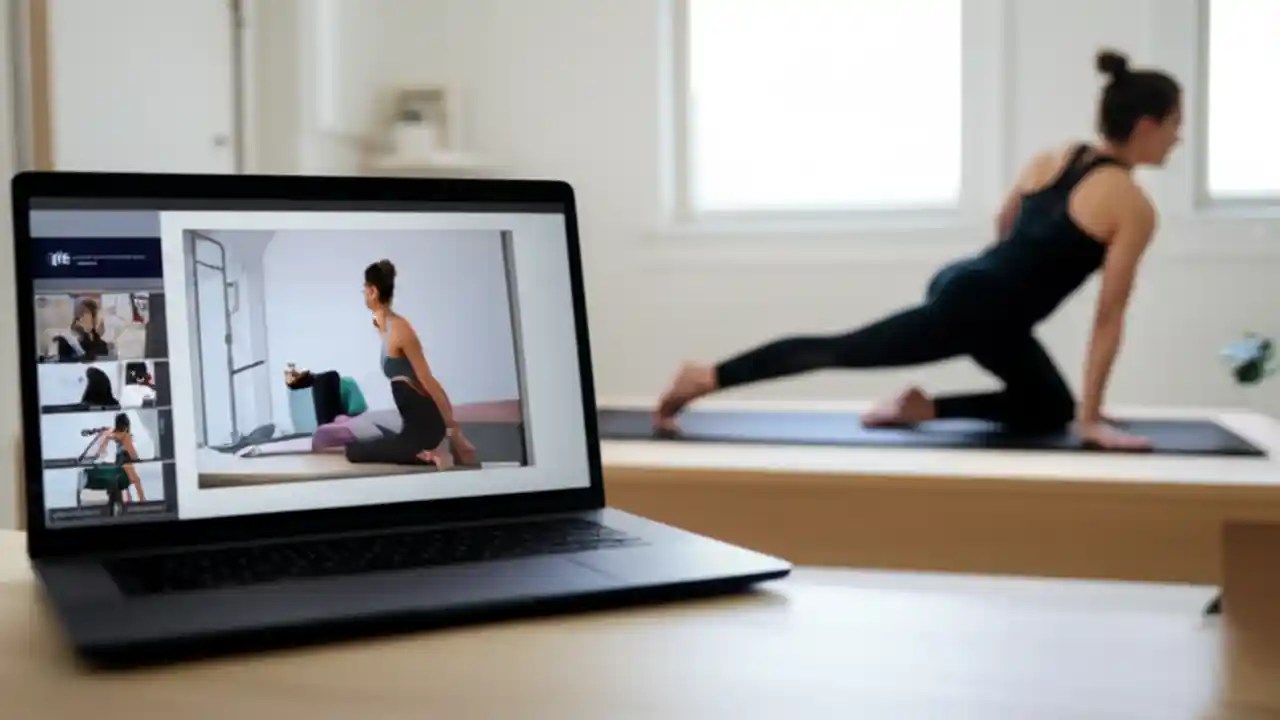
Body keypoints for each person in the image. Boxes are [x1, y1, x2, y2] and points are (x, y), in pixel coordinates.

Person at [654, 49, 1181, 452]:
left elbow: (1006, 221)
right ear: (1146, 125)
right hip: (983, 306)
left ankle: (921, 408)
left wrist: (1011, 288)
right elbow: (1109, 316)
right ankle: (707, 375)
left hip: (975, 285)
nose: (1177, 140)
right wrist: (1092, 422)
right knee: (845, 350)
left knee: (1047, 406)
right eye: (1176, 125)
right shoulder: (1133, 207)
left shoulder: (1059, 156)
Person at [345, 259, 481, 467]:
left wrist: (454, 432)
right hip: (411, 425)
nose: (363, 293)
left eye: (365, 289)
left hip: (424, 428)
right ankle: (421, 449)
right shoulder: (383, 324)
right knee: (376, 436)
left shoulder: (401, 331)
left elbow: (428, 381)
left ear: (373, 291)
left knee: (354, 451)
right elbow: (379, 317)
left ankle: (430, 454)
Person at [89, 413, 146, 503]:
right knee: (135, 480)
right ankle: (142, 501)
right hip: (125, 458)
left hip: (119, 458)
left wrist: (100, 450)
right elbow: (131, 449)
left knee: (127, 480)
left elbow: (109, 433)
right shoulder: (125, 435)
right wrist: (136, 458)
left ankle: (133, 499)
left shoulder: (115, 434)